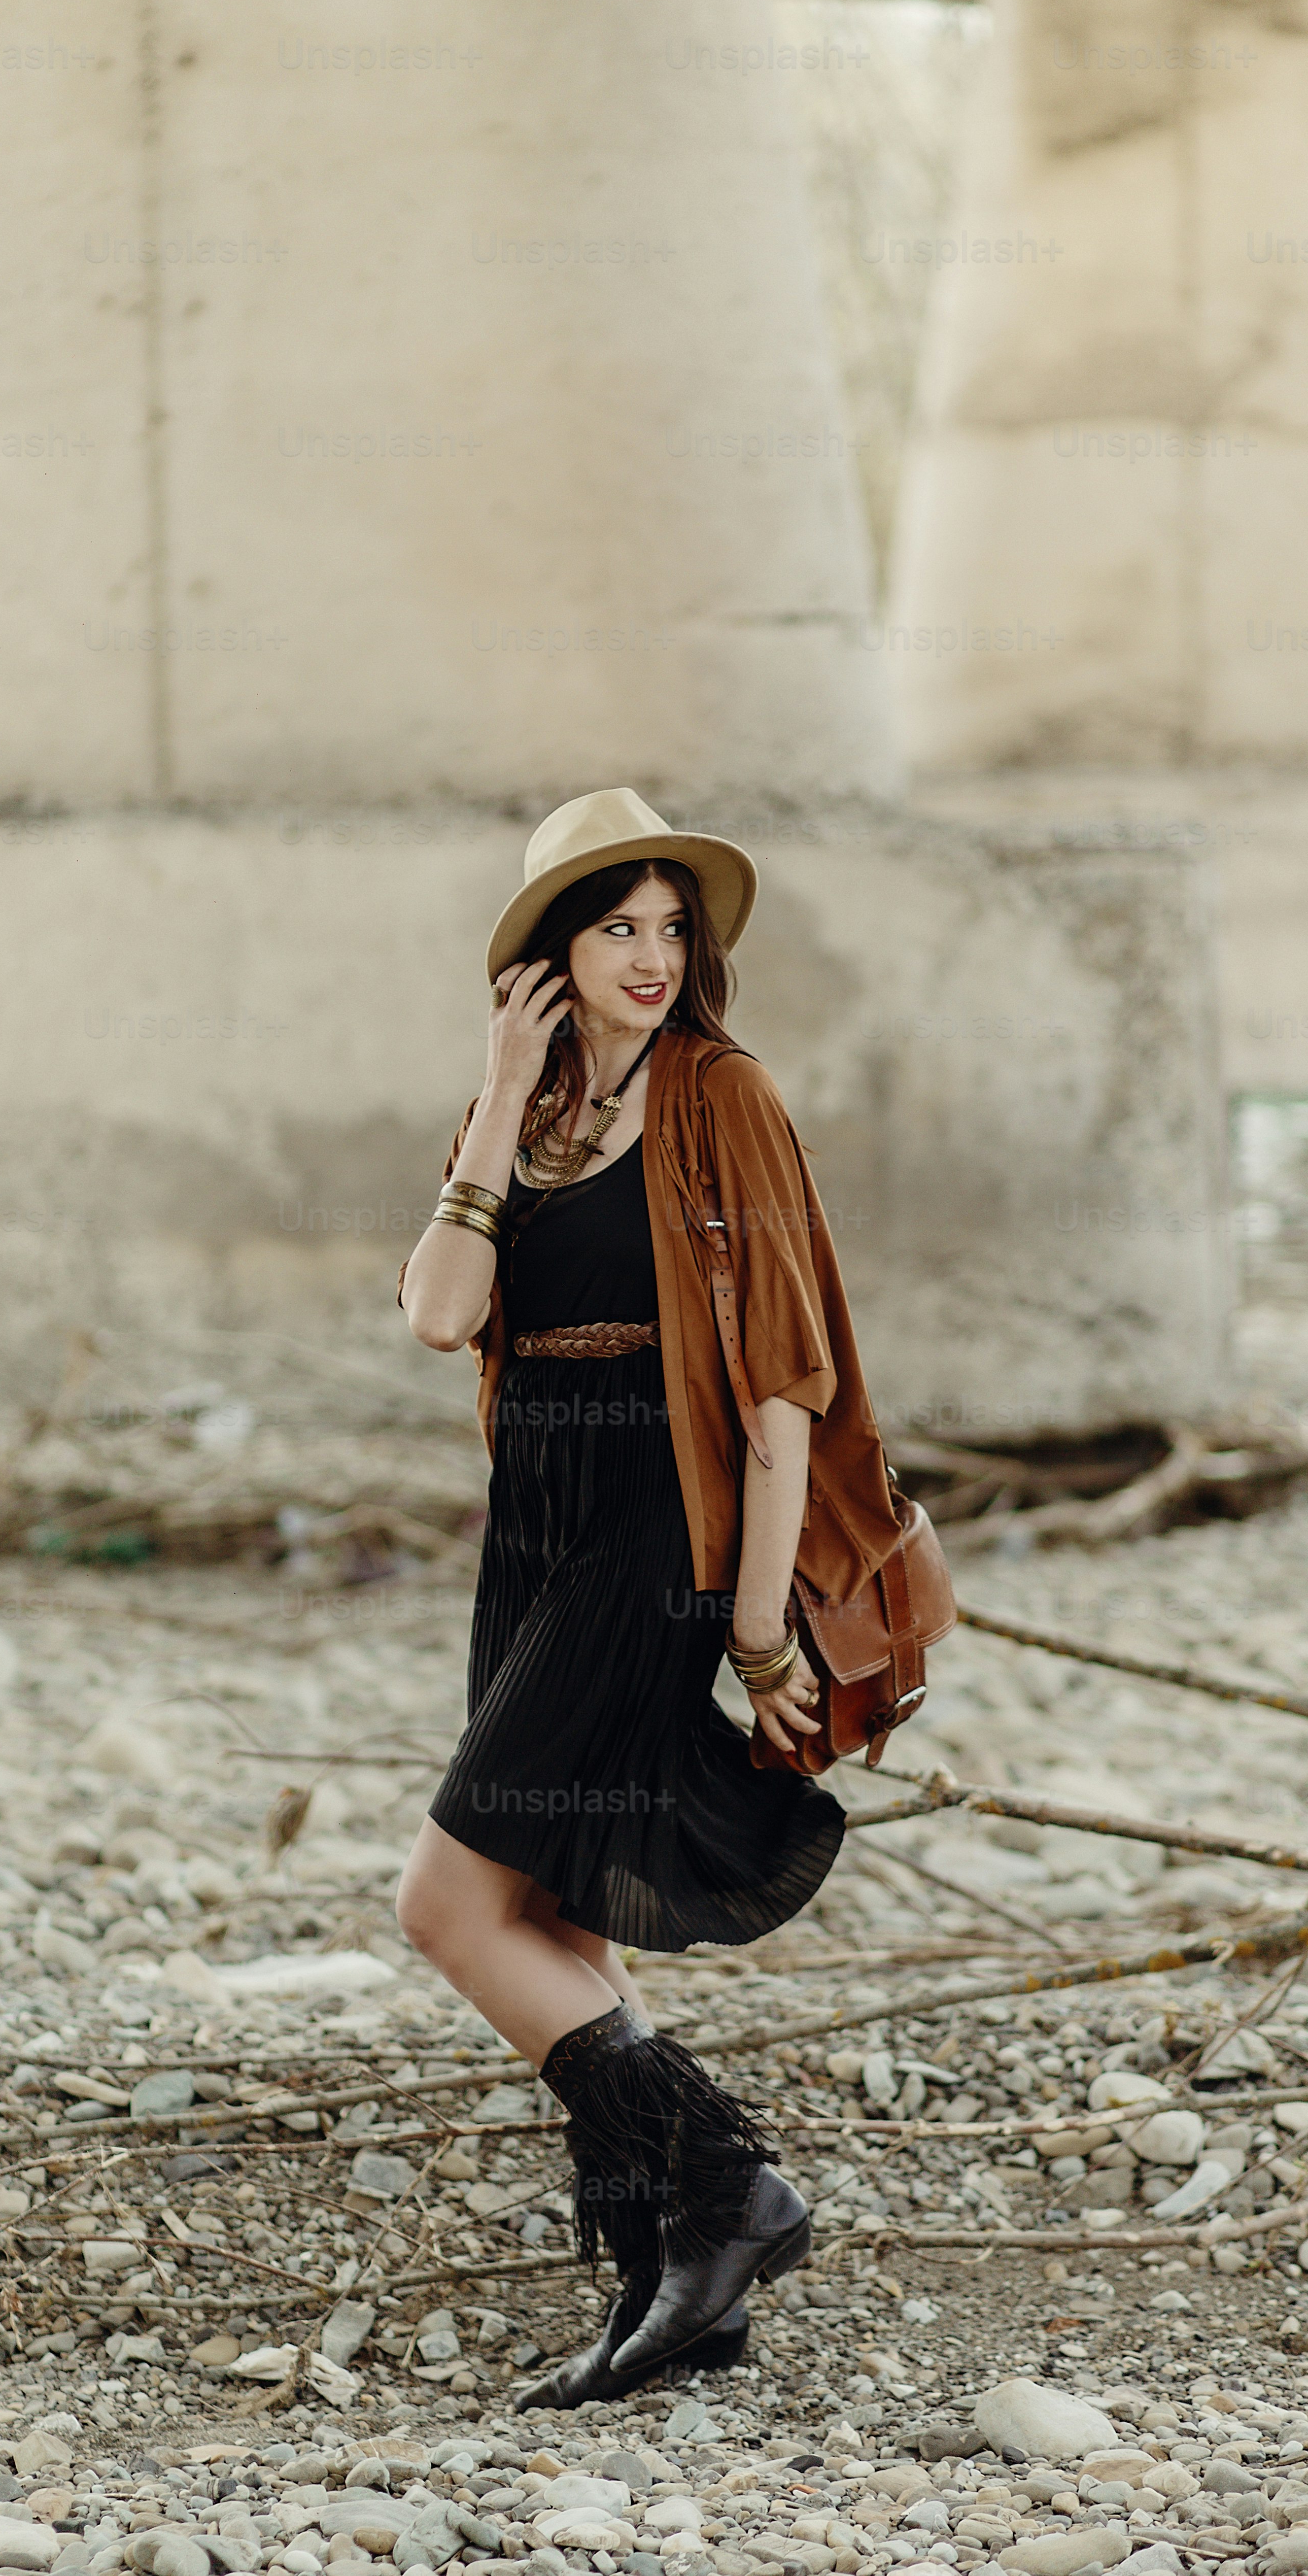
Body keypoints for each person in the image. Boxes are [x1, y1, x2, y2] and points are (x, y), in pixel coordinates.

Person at [394, 787, 906, 2408]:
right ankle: (675, 2290)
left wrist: (754, 1627)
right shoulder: (532, 1106)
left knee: (449, 1905)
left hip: (658, 1532)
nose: (651, 955)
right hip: (533, 1528)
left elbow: (780, 1388)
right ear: (549, 952)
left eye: (671, 925)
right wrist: (490, 1098)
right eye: (615, 925)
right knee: (542, 1902)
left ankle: (728, 2194)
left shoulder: (722, 1095)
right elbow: (438, 1311)